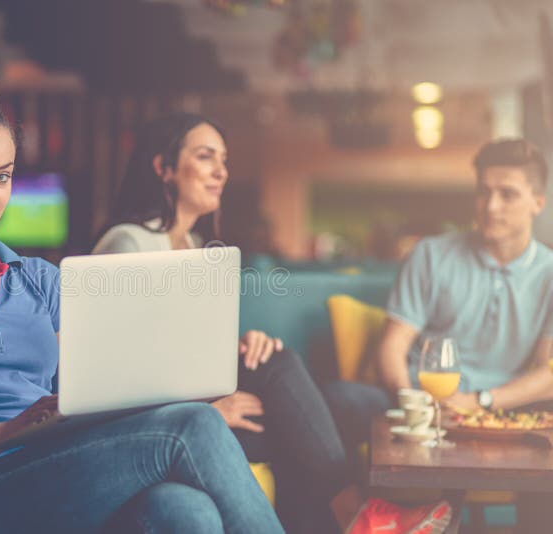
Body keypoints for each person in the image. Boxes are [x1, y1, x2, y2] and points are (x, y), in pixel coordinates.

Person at [0, 76, 285, 534]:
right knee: (193, 427)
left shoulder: (41, 280)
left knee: (183, 509)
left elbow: (103, 390)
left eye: (3, 176)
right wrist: (6, 432)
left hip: (55, 470)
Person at [92, 113, 452, 534]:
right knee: (294, 414)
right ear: (164, 168)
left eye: (223, 160)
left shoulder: (193, 247)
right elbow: (112, 373)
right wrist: (206, 412)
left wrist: (242, 343)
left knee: (276, 366)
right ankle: (360, 514)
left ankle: (358, 517)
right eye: (206, 157)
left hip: (197, 406)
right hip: (161, 427)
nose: (221, 171)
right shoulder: (128, 244)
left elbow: (181, 352)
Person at [323, 138, 553, 532]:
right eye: (484, 192)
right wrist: (411, 400)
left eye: (507, 194)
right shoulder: (431, 255)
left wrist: (479, 403)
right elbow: (393, 347)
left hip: (500, 411)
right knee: (337, 398)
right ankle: (367, 515)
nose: (491, 205)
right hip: (418, 402)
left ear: (538, 201)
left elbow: (548, 372)